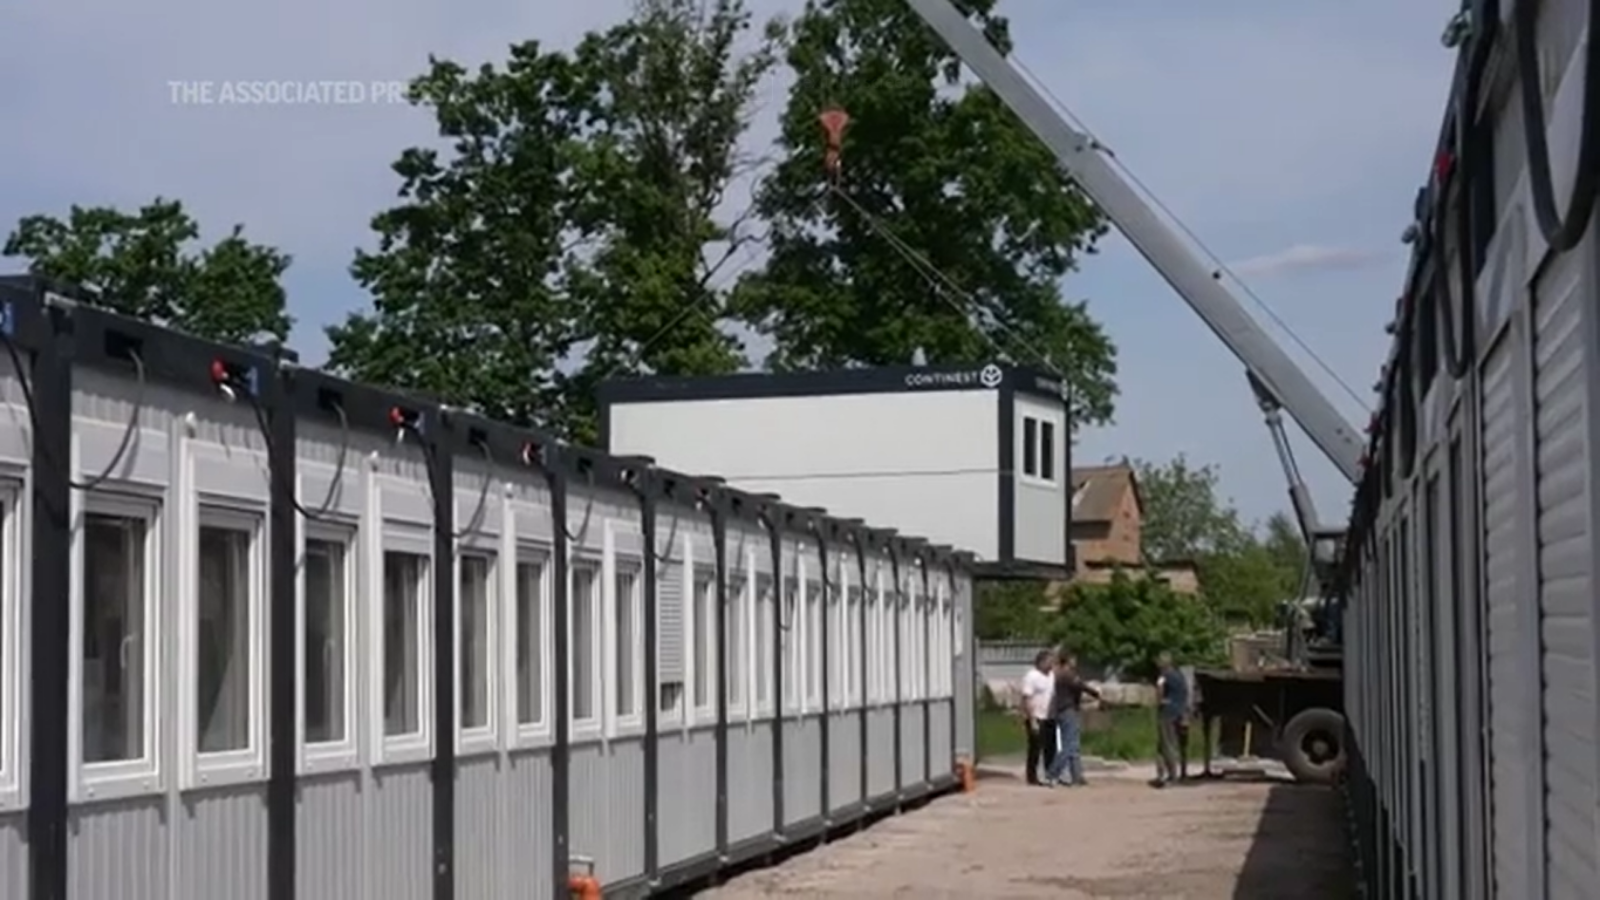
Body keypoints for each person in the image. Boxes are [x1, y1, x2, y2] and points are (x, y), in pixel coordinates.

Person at [1044, 653, 1099, 787]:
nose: (1076, 662)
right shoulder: (1067, 674)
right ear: (1067, 661)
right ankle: (1052, 773)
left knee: (1074, 746)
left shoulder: (1063, 674)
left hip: (1067, 710)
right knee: (1069, 745)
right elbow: (1081, 685)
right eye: (1073, 659)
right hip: (1067, 711)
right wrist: (1097, 694)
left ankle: (1077, 776)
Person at [1019, 649, 1057, 785]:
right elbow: (1027, 698)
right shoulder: (1031, 676)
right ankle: (1032, 776)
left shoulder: (1052, 675)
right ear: (1041, 662)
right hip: (1036, 717)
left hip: (1050, 717)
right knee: (1035, 748)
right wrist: (1032, 719)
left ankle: (1050, 773)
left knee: (1051, 747)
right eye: (1049, 661)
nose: (1052, 664)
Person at [1152, 652, 1189, 788]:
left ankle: (1172, 776)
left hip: (1167, 712)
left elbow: (1159, 691)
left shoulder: (1163, 676)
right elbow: (1185, 692)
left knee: (1166, 744)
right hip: (1180, 711)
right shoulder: (1179, 675)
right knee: (1170, 743)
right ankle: (1165, 774)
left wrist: (1160, 701)